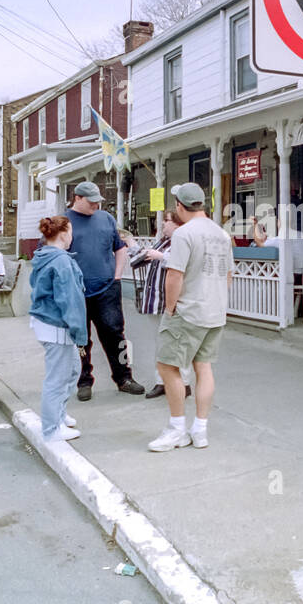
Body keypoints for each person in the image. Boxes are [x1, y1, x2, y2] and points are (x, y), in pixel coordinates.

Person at [148, 182, 234, 453]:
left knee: (168, 367)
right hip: (215, 311)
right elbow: (229, 275)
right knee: (204, 367)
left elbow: (175, 274)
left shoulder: (184, 234)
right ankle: (201, 428)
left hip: (188, 310)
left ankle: (176, 429)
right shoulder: (221, 234)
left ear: (180, 206)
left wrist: (170, 308)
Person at [65, 181, 145, 399]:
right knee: (80, 338)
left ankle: (124, 377)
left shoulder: (106, 219)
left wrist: (117, 275)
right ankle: (84, 380)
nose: (95, 206)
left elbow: (119, 248)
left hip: (107, 288)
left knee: (115, 334)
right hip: (76, 291)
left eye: (97, 202)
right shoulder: (64, 222)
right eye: (91, 202)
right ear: (77, 198)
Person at [29, 216, 87, 442]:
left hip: (46, 322)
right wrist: (79, 333)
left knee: (71, 369)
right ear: (63, 234)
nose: (72, 236)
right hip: (57, 325)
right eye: (70, 231)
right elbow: (70, 300)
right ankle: (52, 427)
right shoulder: (62, 261)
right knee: (59, 377)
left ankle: (58, 416)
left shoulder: (44, 256)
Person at [129, 211, 193, 400]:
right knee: (160, 343)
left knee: (177, 343)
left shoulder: (183, 242)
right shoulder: (163, 242)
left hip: (172, 301)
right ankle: (162, 381)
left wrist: (160, 256)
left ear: (178, 224)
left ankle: (184, 383)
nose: (163, 224)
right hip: (155, 300)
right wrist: (132, 245)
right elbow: (142, 258)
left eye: (167, 221)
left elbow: (182, 266)